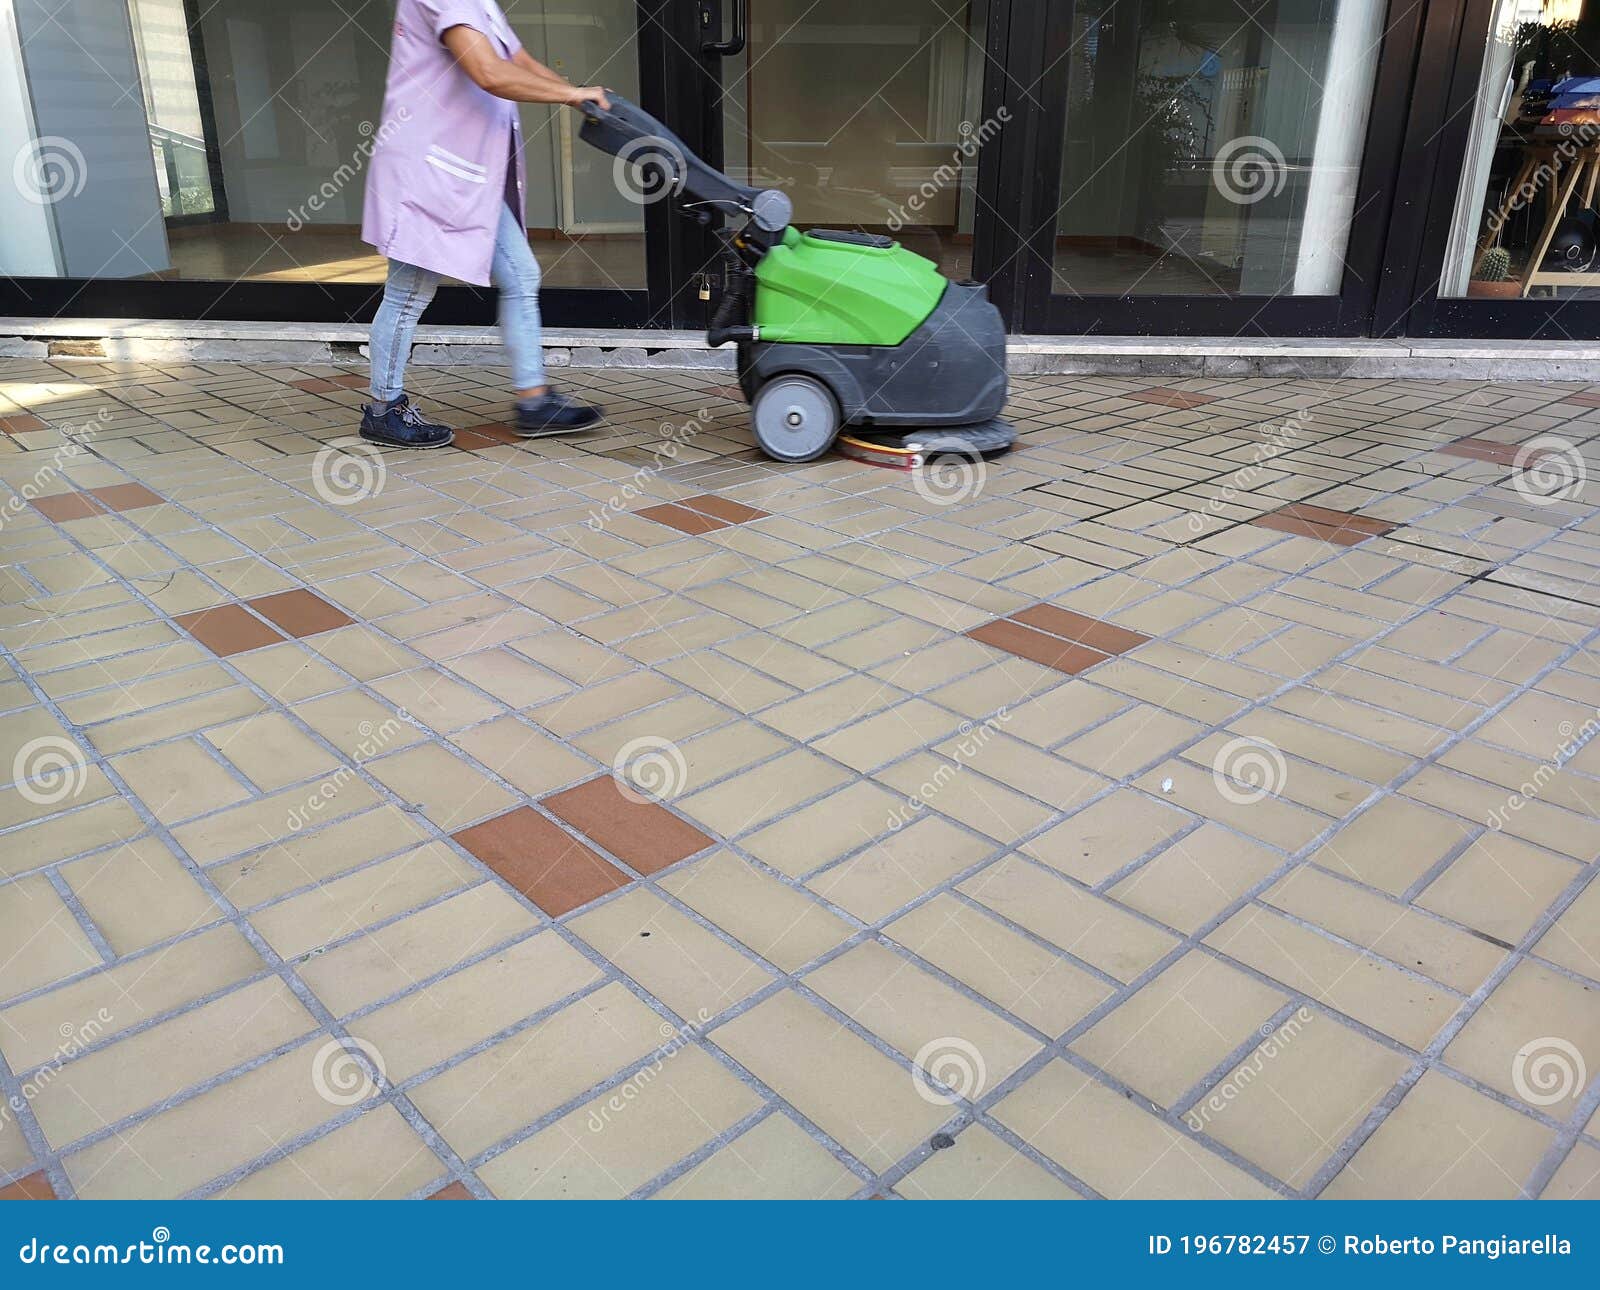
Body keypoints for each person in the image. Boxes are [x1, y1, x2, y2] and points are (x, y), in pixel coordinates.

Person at [360, 0, 611, 448]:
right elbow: (488, 72)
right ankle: (383, 409)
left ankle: (533, 400)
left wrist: (581, 95)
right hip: (429, 172)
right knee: (409, 291)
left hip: (463, 174)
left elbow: (518, 60)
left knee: (519, 272)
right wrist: (572, 96)